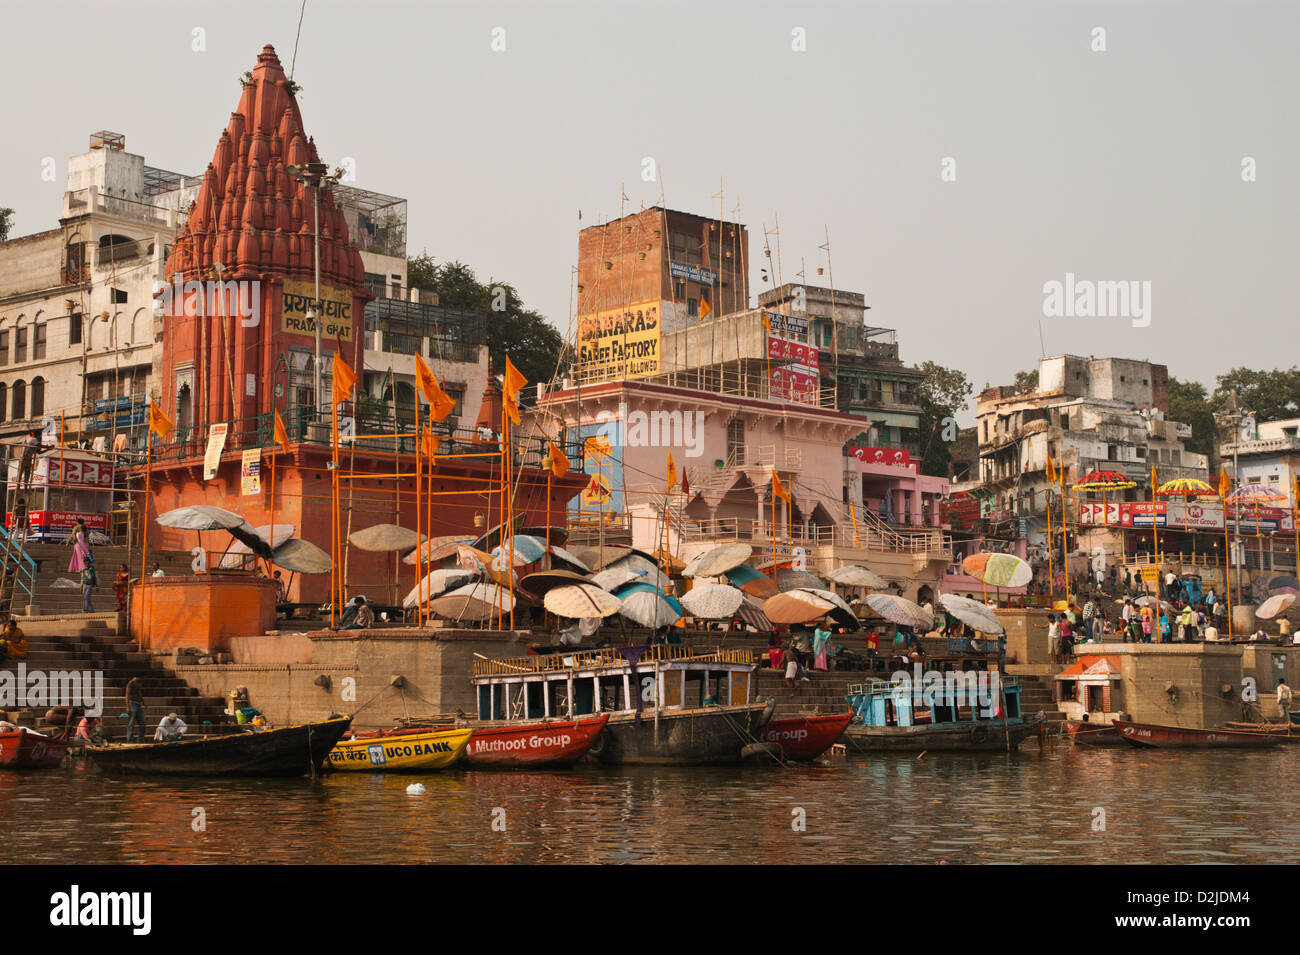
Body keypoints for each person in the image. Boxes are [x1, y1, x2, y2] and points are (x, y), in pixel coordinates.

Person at [124, 675, 146, 743]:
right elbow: (127, 694)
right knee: (131, 723)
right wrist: (127, 706)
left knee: (143, 723)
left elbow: (140, 693)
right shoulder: (131, 683)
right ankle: (129, 740)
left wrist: (143, 702)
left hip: (138, 704)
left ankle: (140, 740)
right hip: (132, 703)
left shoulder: (139, 683)